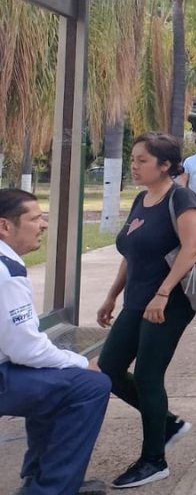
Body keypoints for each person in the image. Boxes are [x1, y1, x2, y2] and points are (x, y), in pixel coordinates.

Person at [97, 132, 196, 488]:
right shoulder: (142, 199)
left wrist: (162, 293)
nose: (134, 165)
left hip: (168, 303)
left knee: (147, 376)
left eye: (142, 160)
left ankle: (154, 460)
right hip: (137, 300)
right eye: (133, 159)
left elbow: (191, 249)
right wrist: (112, 296)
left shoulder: (182, 198)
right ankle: (168, 423)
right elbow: (132, 253)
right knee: (109, 368)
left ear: (165, 164)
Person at [0, 189, 111, 495]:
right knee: (90, 385)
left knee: (55, 380)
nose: (44, 225)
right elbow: (25, 349)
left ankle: (40, 478)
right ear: (4, 226)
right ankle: (51, 489)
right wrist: (81, 362)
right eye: (35, 218)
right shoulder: (6, 272)